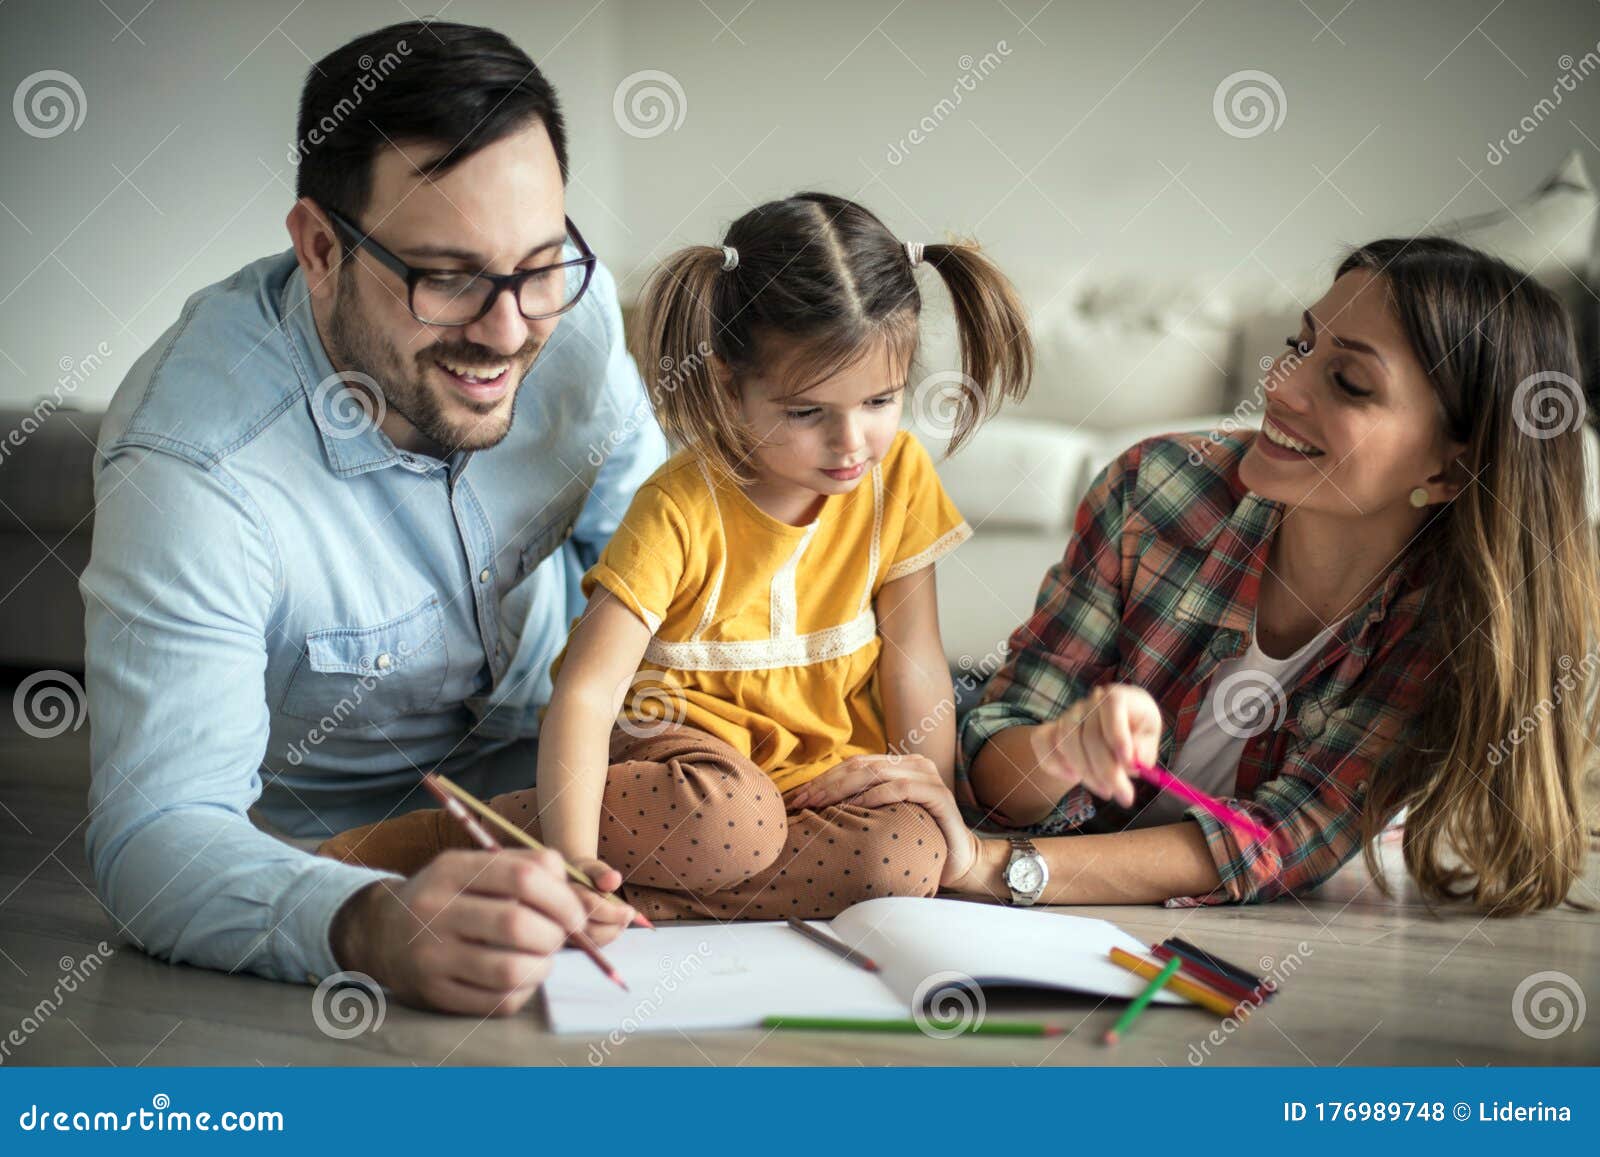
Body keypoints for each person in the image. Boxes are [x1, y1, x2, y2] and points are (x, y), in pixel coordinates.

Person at [81, 20, 666, 1017]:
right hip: (364, 847)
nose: (510, 329)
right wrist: (371, 921)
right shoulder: (193, 471)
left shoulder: (571, 308)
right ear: (319, 247)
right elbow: (157, 832)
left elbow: (660, 566)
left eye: (538, 264)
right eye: (447, 277)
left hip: (597, 772)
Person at [796, 236, 1599, 916]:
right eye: (1300, 345)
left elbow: (1282, 836)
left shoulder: (1449, 619)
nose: (1280, 387)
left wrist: (994, 868)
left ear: (1453, 469)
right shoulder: (1159, 488)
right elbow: (994, 761)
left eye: (1349, 382)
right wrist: (1060, 746)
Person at [317, 192, 1033, 920]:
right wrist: (570, 857)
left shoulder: (898, 478)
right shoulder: (682, 507)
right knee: (731, 821)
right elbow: (589, 693)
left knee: (910, 854)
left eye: (879, 401)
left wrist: (931, 791)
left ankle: (649, 900)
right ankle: (455, 844)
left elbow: (913, 656)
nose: (852, 443)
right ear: (729, 384)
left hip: (810, 782)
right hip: (678, 765)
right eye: (808, 412)